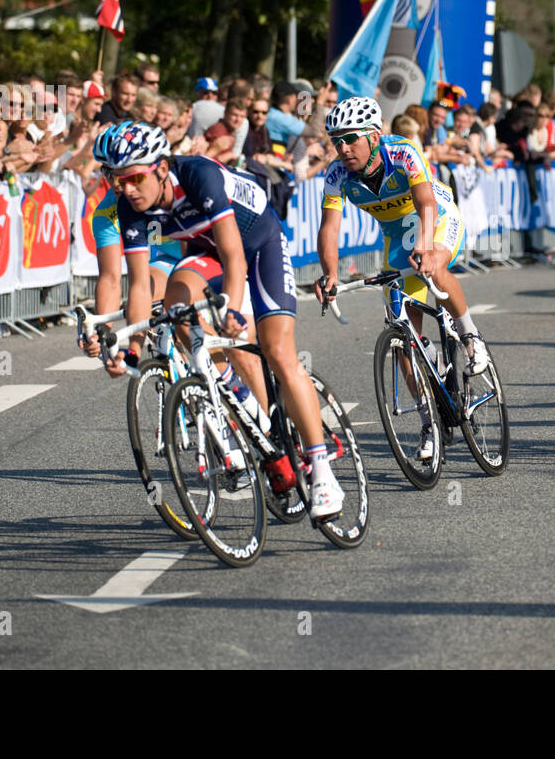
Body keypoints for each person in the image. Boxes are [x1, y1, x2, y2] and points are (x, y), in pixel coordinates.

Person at [96, 123, 343, 519]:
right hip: (206, 250)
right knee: (176, 304)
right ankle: (237, 400)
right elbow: (139, 286)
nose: (126, 189)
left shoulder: (198, 174)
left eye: (134, 178)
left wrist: (229, 308)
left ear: (161, 168)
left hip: (257, 243)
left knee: (278, 351)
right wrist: (133, 349)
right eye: (115, 180)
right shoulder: (128, 205)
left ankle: (323, 471)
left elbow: (234, 255)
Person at [315, 97, 489, 397]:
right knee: (401, 331)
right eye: (336, 141)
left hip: (434, 216)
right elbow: (329, 227)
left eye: (349, 140)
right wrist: (330, 273)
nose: (342, 149)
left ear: (372, 135)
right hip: (396, 235)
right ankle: (428, 420)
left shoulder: (402, 151)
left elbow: (426, 202)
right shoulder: (336, 173)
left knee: (434, 268)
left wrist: (425, 245)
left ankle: (470, 335)